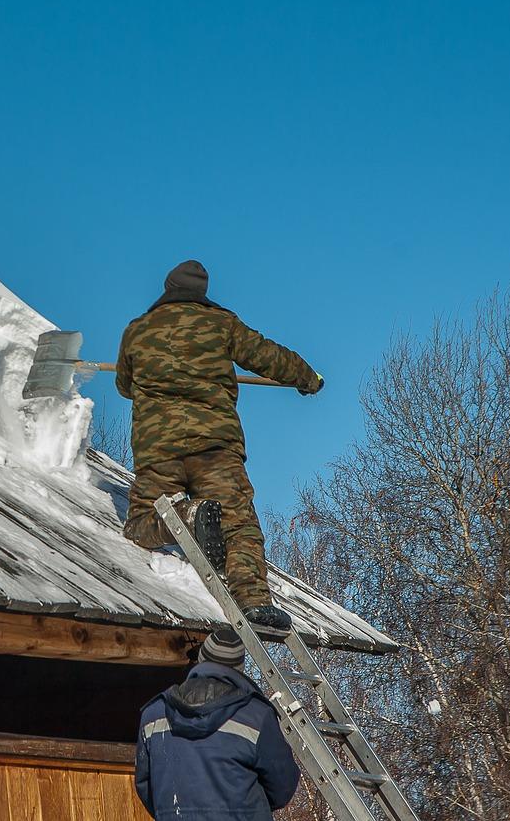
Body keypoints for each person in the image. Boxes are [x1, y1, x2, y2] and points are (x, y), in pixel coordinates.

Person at [116, 260, 323, 630]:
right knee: (238, 522)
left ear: (167, 288)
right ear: (201, 293)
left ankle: (181, 517)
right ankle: (255, 602)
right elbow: (268, 356)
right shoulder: (221, 324)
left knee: (140, 522)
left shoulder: (137, 331)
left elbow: (124, 386)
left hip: (157, 449)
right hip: (215, 447)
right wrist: (308, 378)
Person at [135, 629, 300, 819]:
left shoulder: (154, 714)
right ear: (239, 668)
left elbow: (146, 786)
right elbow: (282, 787)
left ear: (201, 659)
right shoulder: (255, 715)